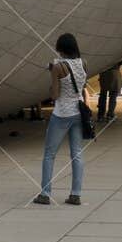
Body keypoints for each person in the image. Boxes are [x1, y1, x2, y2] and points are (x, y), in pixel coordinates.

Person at [34, 33, 86, 205]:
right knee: (77, 153)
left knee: (49, 154)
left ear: (61, 48)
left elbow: (55, 95)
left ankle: (45, 193)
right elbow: (79, 86)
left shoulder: (58, 68)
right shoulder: (83, 63)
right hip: (78, 111)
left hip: (62, 113)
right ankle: (76, 194)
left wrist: (52, 84)